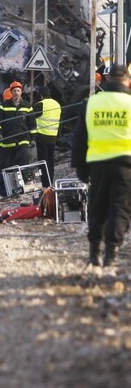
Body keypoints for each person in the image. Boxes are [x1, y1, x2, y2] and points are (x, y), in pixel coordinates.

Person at [72, 64, 131, 267]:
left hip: (97, 164)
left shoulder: (91, 104)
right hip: (126, 165)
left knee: (97, 207)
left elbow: (79, 138)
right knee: (120, 207)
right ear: (127, 81)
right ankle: (111, 252)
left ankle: (94, 251)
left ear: (106, 80)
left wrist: (80, 167)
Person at [0, 81, 36, 197]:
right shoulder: (3, 106)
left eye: (18, 90)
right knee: (5, 165)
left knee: (22, 160)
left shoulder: (27, 106)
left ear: (21, 92)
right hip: (6, 143)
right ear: (11, 92)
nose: (16, 93)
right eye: (14, 91)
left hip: (22, 140)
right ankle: (5, 190)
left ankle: (23, 186)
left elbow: (32, 123)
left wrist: (33, 138)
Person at [34, 85, 62, 187]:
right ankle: (50, 181)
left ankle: (45, 183)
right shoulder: (57, 104)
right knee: (50, 160)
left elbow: (31, 118)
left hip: (42, 136)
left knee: (43, 161)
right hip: (53, 137)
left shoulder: (40, 104)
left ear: (41, 95)